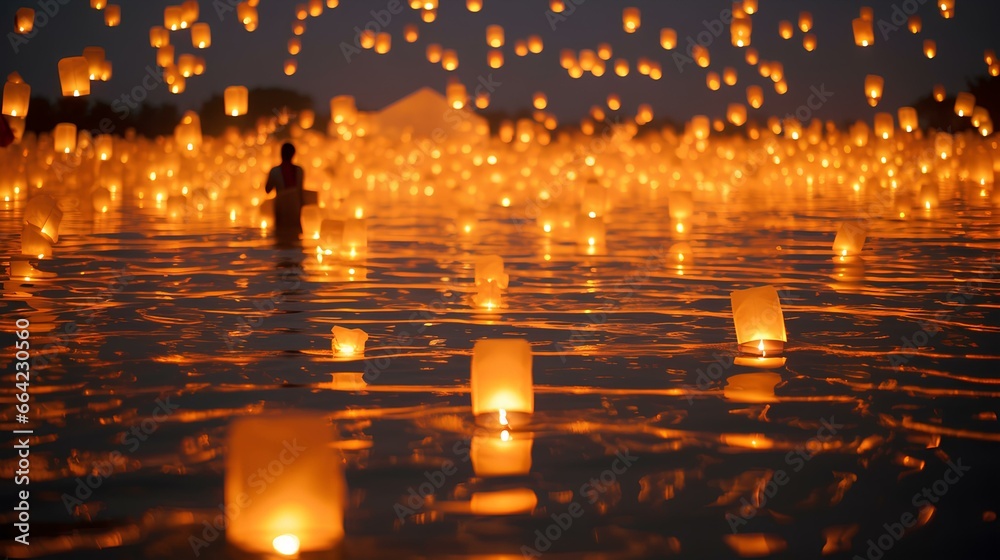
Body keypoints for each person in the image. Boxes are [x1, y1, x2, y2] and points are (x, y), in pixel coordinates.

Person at [265, 142, 304, 244]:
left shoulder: (275, 171)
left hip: (281, 208)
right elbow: (300, 192)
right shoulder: (299, 171)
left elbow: (267, 190)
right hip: (295, 208)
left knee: (280, 238)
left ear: (281, 154)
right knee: (295, 238)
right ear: (293, 154)